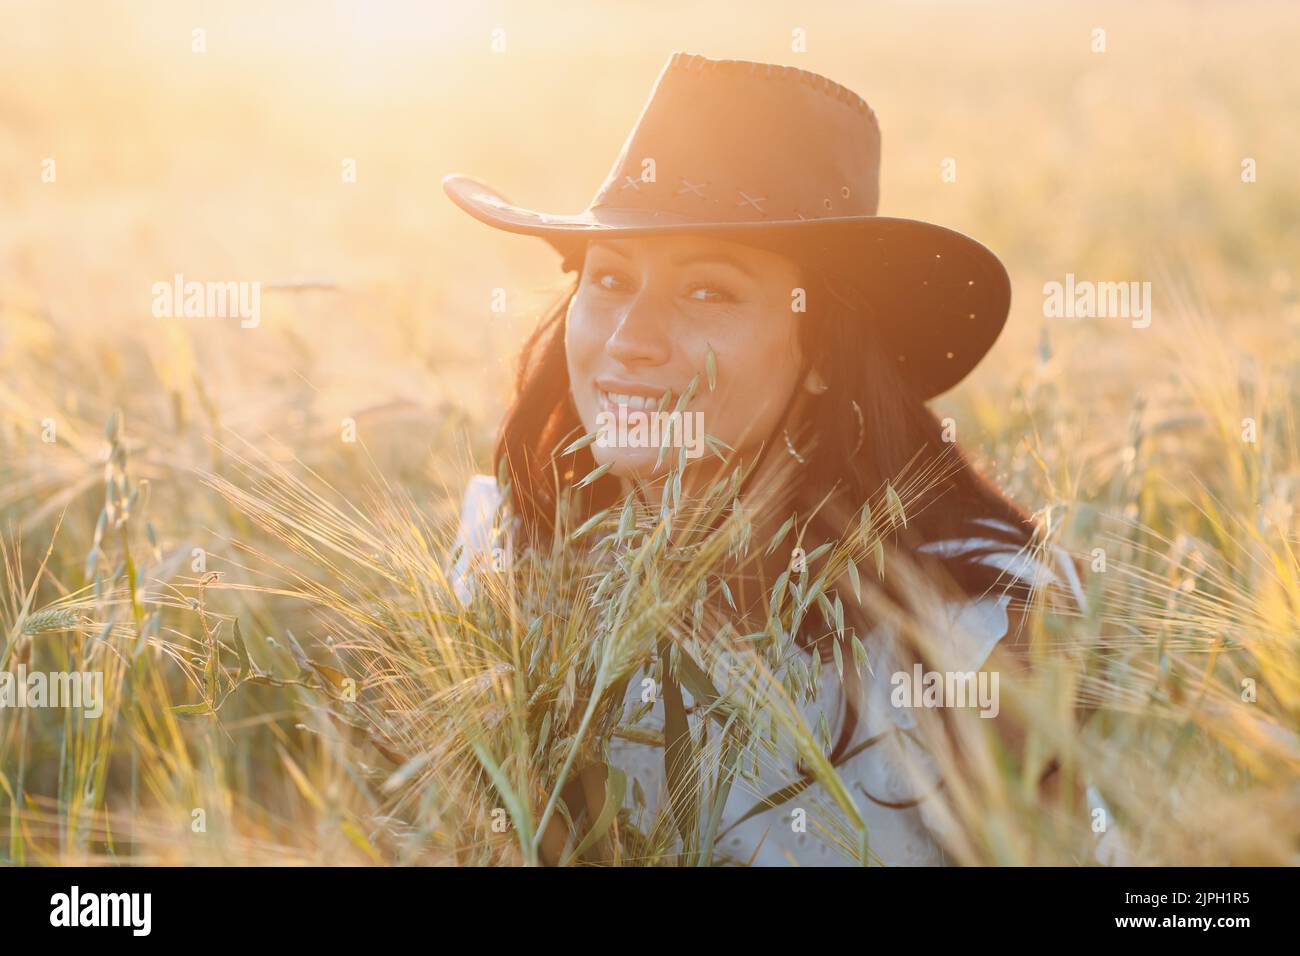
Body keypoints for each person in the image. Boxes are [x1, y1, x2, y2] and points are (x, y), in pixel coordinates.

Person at [443, 52, 1090, 865]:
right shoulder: (517, 561)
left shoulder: (966, 624)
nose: (629, 340)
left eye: (709, 290)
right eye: (608, 280)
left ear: (821, 349)